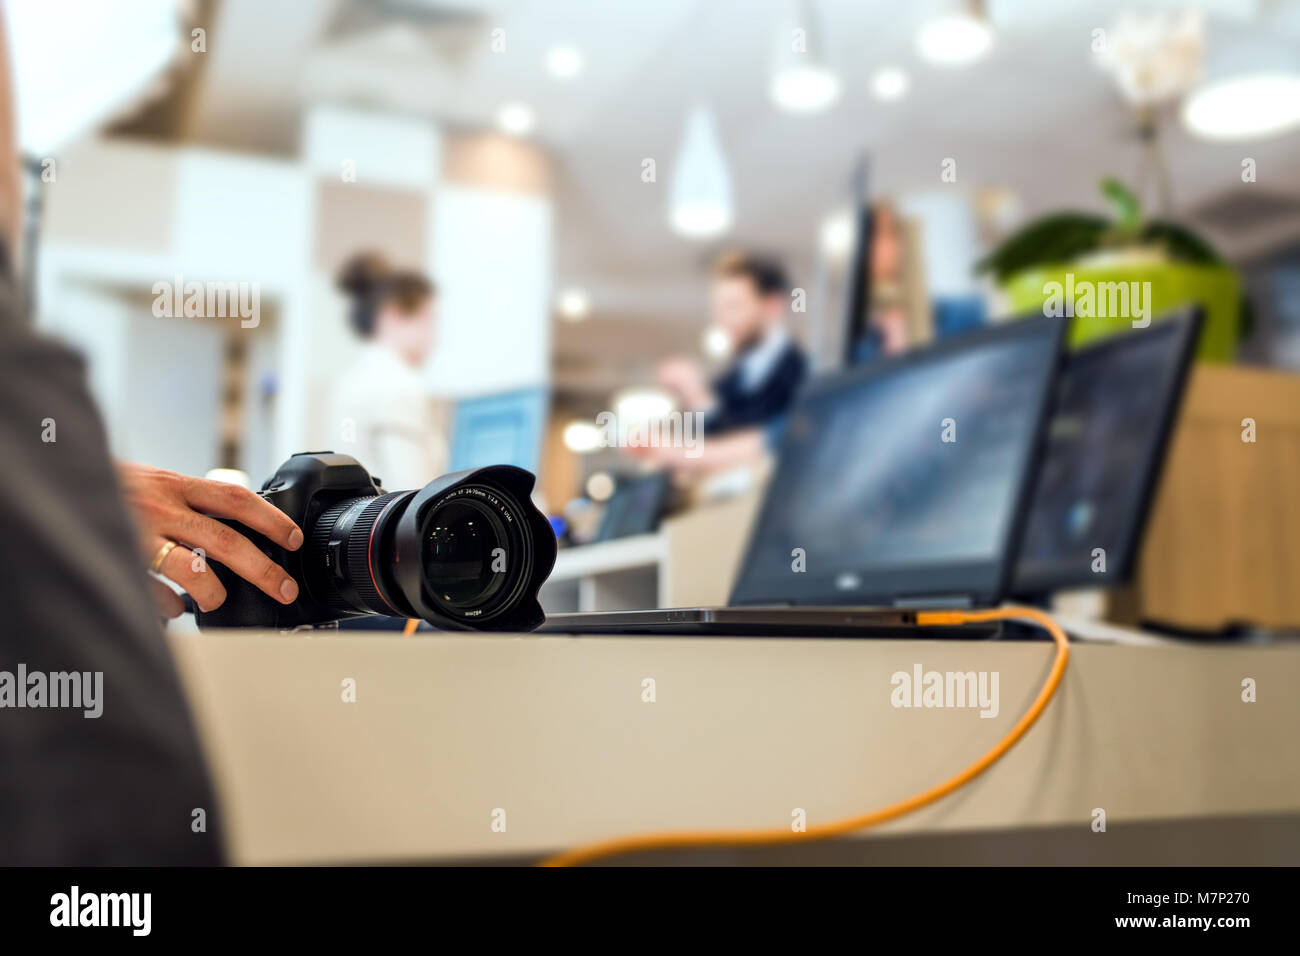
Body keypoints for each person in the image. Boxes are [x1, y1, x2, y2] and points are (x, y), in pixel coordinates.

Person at [632, 251, 807, 476]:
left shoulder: (806, 374)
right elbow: (715, 439)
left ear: (772, 306)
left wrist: (679, 449)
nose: (721, 320)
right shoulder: (729, 380)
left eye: (733, 306)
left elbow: (777, 441)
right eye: (718, 309)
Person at [328, 252, 447, 490]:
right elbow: (411, 494)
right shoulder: (400, 385)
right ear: (391, 314)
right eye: (428, 320)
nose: (434, 338)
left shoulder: (352, 381)